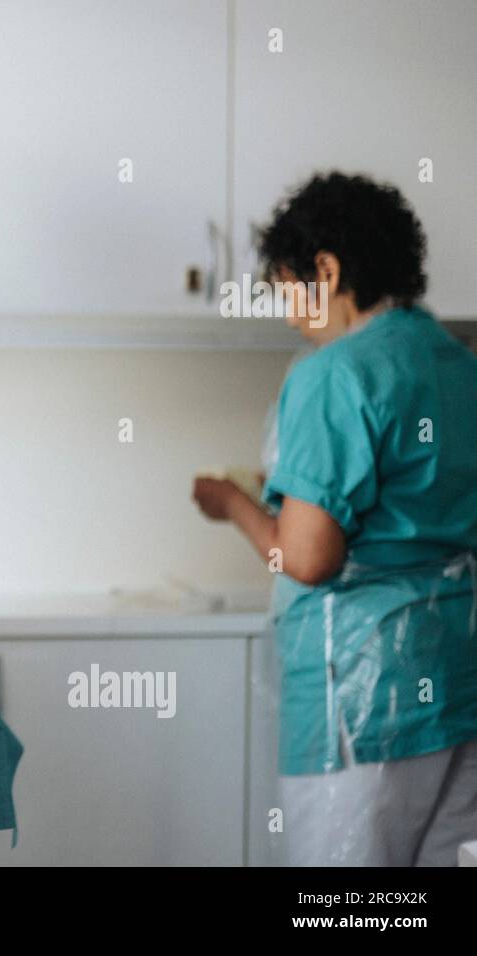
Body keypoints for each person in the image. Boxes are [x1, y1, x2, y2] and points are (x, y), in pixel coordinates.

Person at [192, 172, 477, 865]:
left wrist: (234, 505)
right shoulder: (458, 364)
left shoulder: (334, 373)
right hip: (458, 684)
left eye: (287, 287)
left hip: (364, 697)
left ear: (326, 268)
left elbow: (310, 557)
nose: (290, 313)